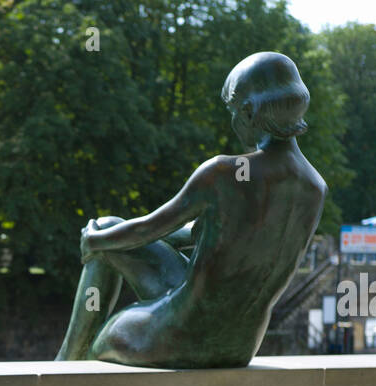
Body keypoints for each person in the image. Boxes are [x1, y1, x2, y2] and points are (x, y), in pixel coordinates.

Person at [55, 52, 326, 369]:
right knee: (111, 226)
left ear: (249, 111)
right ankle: (63, 364)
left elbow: (151, 228)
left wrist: (94, 242)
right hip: (241, 345)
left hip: (180, 334)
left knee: (103, 253)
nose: (232, 121)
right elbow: (214, 238)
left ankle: (62, 369)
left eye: (233, 111)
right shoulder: (315, 188)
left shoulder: (224, 172)